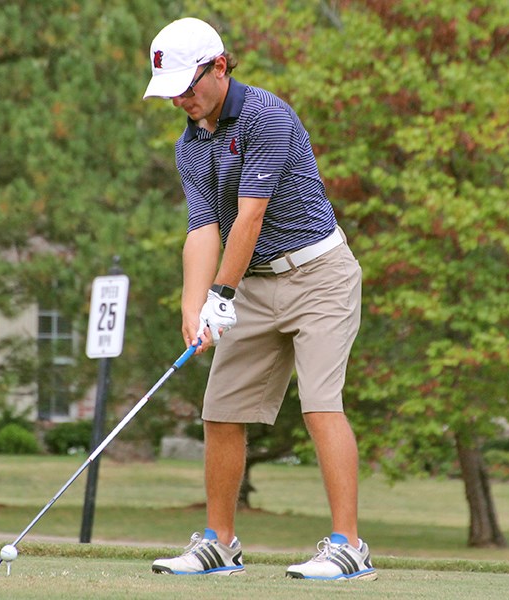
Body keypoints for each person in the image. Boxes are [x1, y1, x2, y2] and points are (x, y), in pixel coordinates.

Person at [142, 18, 376, 581]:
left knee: (321, 403)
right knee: (221, 409)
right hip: (253, 284)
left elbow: (251, 215)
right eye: (171, 90)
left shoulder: (266, 115)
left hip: (318, 274)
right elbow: (204, 229)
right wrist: (193, 306)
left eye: (188, 86)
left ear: (219, 66)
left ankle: (349, 546)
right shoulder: (190, 145)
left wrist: (221, 294)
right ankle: (220, 544)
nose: (181, 99)